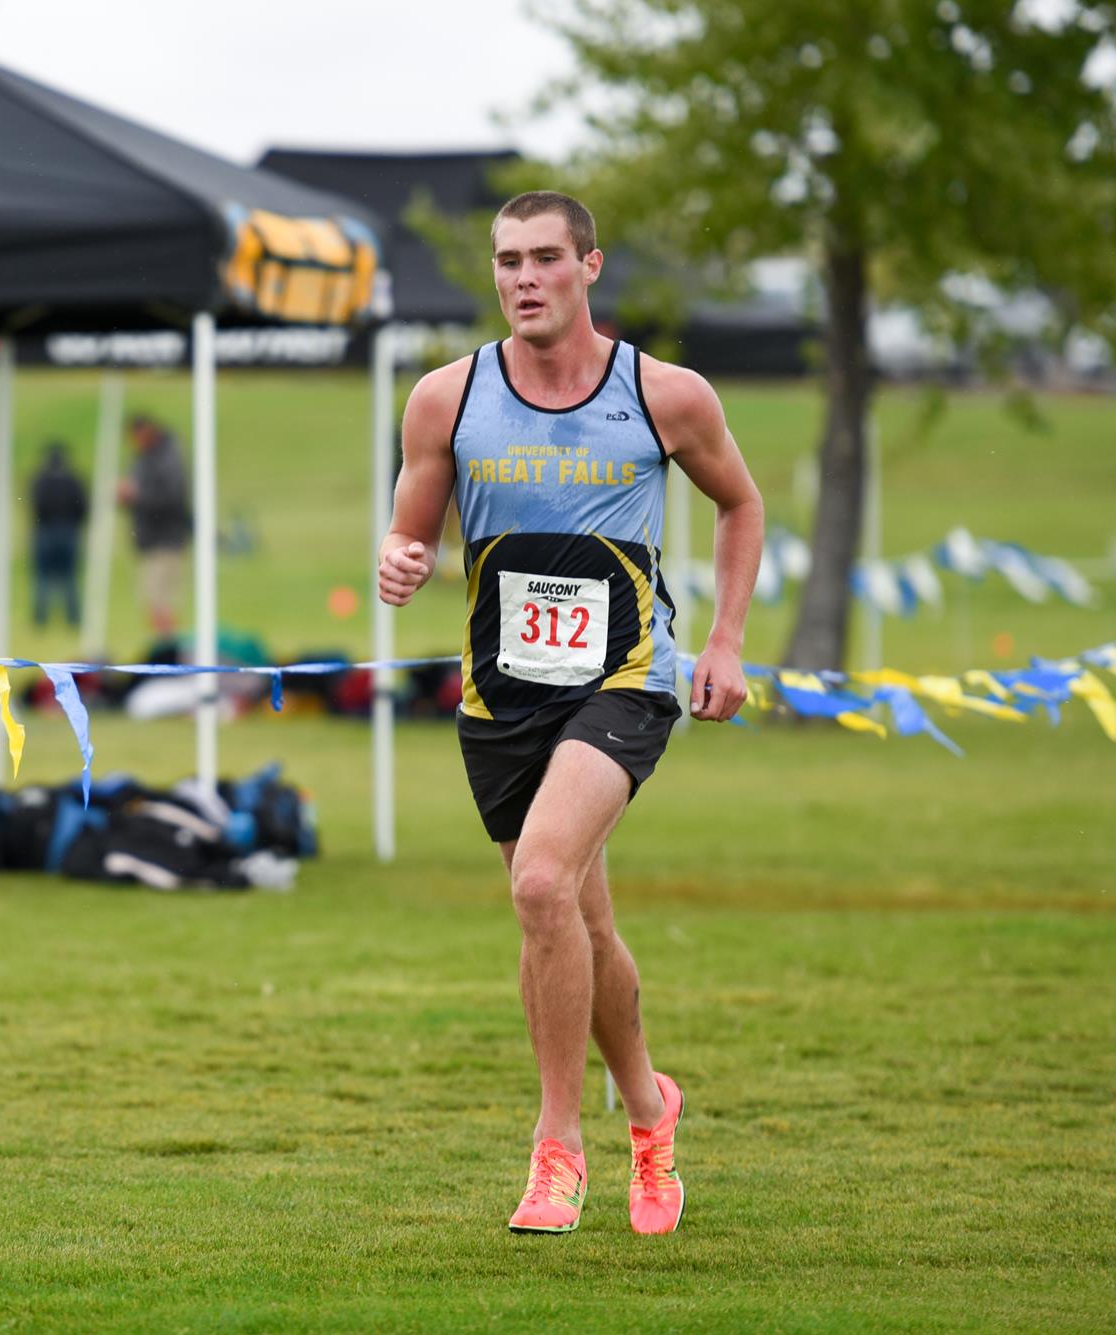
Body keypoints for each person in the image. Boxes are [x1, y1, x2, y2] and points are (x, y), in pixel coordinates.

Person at [377, 191, 762, 1237]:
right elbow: (410, 531)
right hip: (501, 696)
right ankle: (649, 1106)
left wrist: (721, 641)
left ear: (589, 268)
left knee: (539, 883)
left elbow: (740, 502)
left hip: (626, 678)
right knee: (576, 919)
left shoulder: (663, 394)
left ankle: (557, 1148)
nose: (522, 279)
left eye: (545, 258)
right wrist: (398, 559)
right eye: (507, 261)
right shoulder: (444, 400)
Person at [118, 413, 191, 636]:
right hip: (150, 540)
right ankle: (165, 647)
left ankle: (170, 651)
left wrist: (137, 495)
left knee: (162, 602)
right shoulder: (144, 458)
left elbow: (173, 496)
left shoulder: (168, 458)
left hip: (166, 540)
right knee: (153, 602)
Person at [28, 440, 89, 627]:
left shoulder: (40, 480)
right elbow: (84, 508)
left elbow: (36, 508)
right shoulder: (75, 480)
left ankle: (40, 618)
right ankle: (73, 618)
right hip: (69, 531)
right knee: (69, 577)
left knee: (43, 577)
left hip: (45, 531)